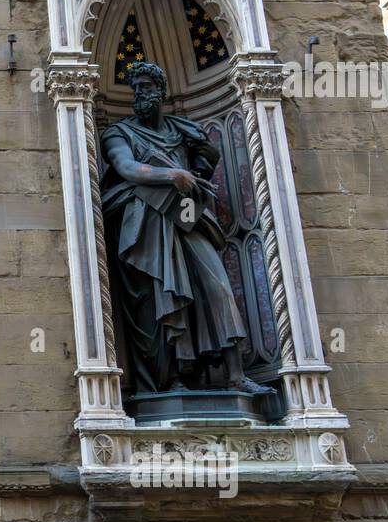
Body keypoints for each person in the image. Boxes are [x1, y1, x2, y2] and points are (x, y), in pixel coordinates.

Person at [101, 61, 271, 395]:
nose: (141, 94)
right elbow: (125, 166)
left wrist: (193, 176)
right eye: (136, 88)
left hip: (187, 213)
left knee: (217, 285)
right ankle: (172, 380)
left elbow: (206, 162)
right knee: (162, 295)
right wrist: (171, 175)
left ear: (162, 91)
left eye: (148, 87)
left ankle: (237, 374)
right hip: (146, 221)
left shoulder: (183, 130)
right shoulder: (119, 133)